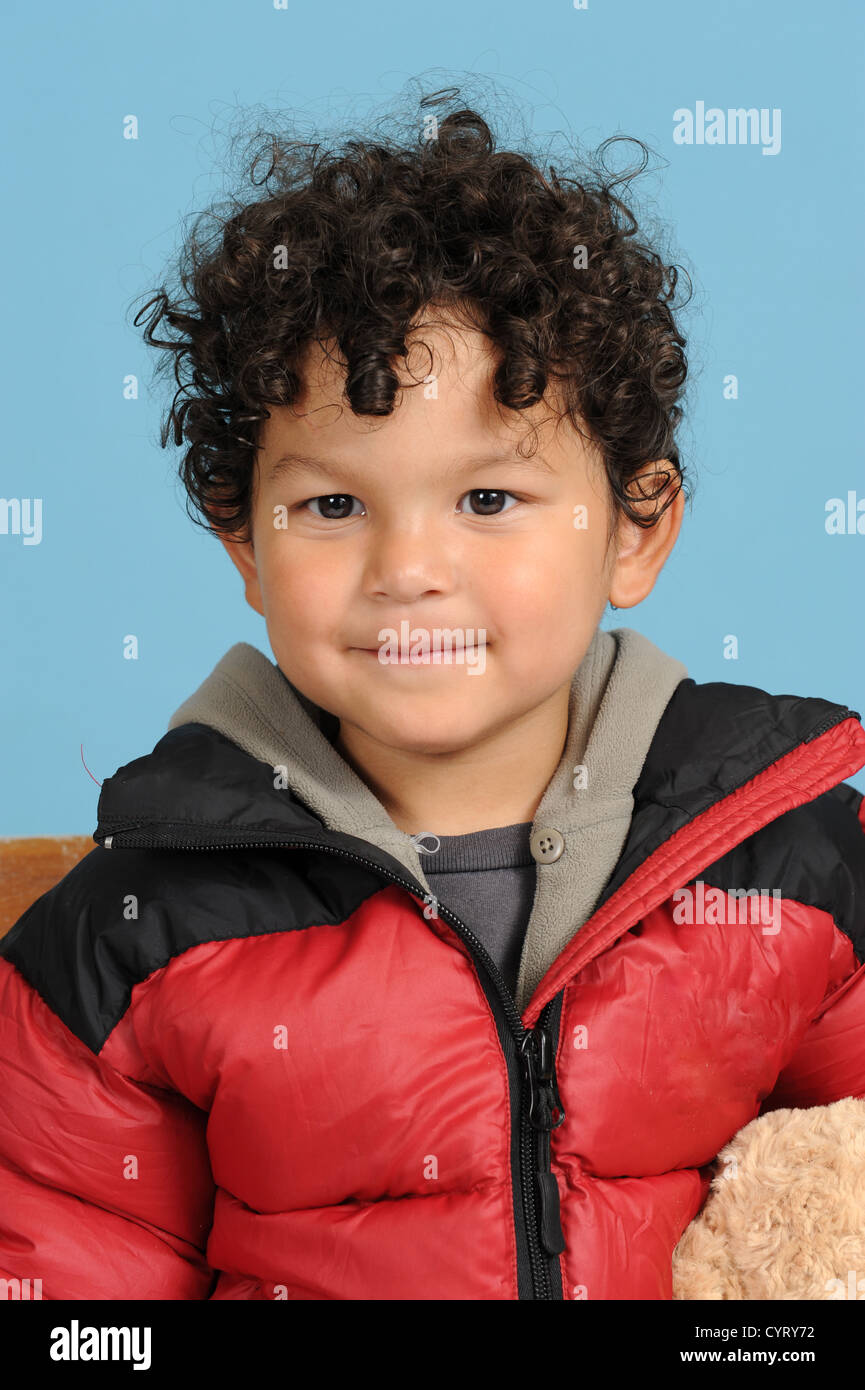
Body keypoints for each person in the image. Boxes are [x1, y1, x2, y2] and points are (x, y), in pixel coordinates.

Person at [1, 94, 864, 1301]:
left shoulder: (785, 874)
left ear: (634, 524)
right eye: (334, 507)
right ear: (246, 547)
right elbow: (70, 1287)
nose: (406, 567)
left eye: (489, 500)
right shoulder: (137, 929)